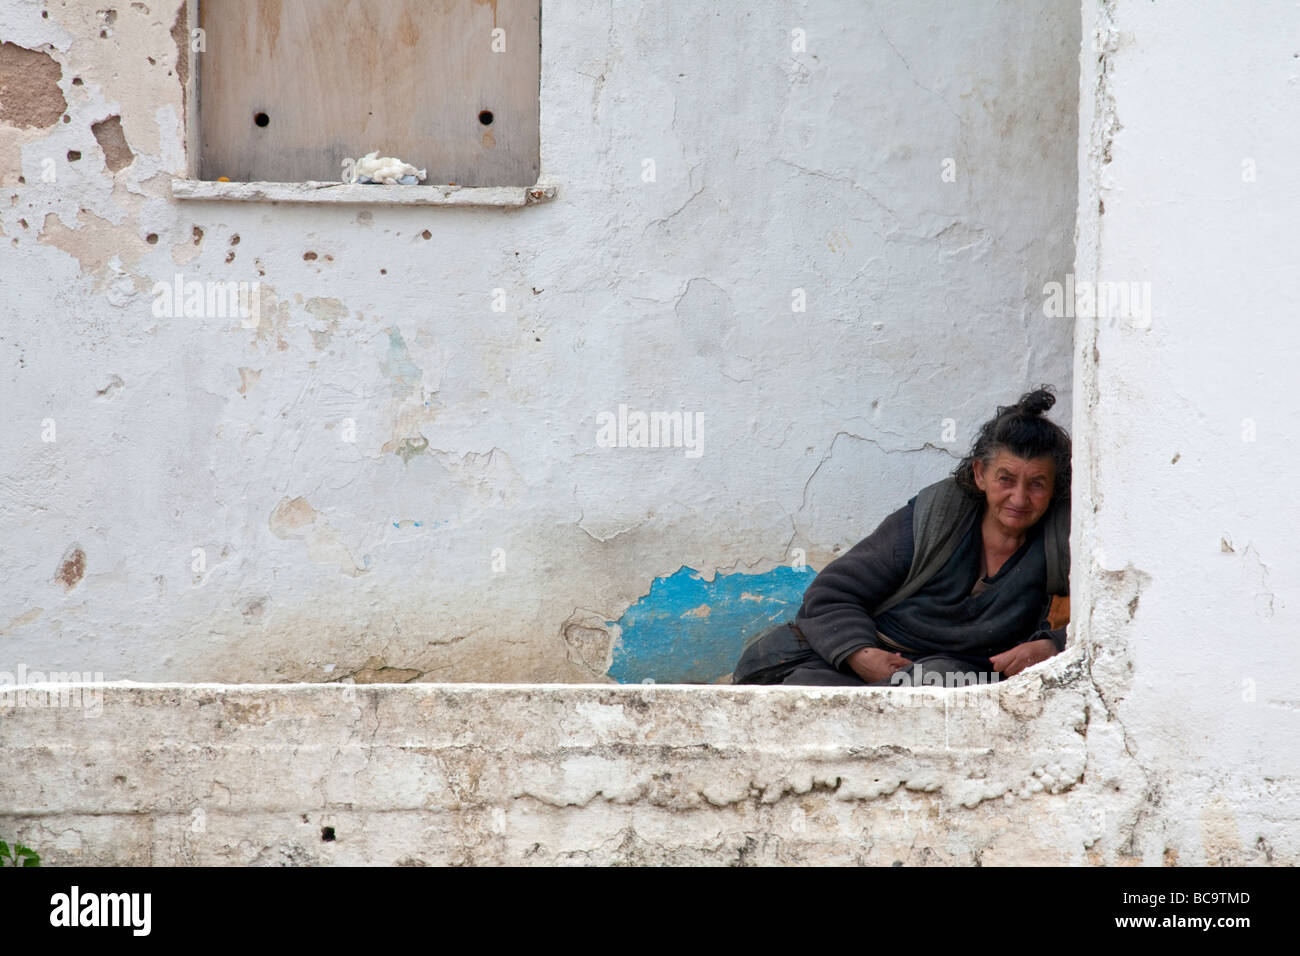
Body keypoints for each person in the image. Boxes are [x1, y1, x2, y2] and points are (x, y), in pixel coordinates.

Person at [733, 386, 1070, 687]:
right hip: (878, 658)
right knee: (775, 667)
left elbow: (1106, 623)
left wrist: (1052, 645)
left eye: (1037, 484)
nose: (1019, 498)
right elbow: (833, 594)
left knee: (936, 681)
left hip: (952, 676)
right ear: (980, 475)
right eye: (1005, 479)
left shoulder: (1067, 541)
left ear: (1055, 487)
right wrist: (861, 654)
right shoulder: (935, 518)